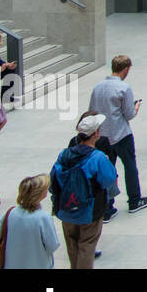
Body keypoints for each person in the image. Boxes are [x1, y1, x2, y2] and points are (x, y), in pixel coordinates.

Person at [50, 113, 117, 269]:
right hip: (89, 211)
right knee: (87, 246)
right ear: (96, 134)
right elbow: (109, 179)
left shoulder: (64, 154)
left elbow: (54, 177)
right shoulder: (98, 158)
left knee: (72, 245)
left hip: (65, 209)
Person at [87, 55, 147, 216]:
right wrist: (136, 107)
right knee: (129, 166)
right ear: (126, 69)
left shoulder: (98, 87)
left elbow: (91, 111)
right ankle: (134, 200)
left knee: (106, 169)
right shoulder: (124, 88)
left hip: (102, 135)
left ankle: (107, 206)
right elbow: (128, 114)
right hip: (121, 134)